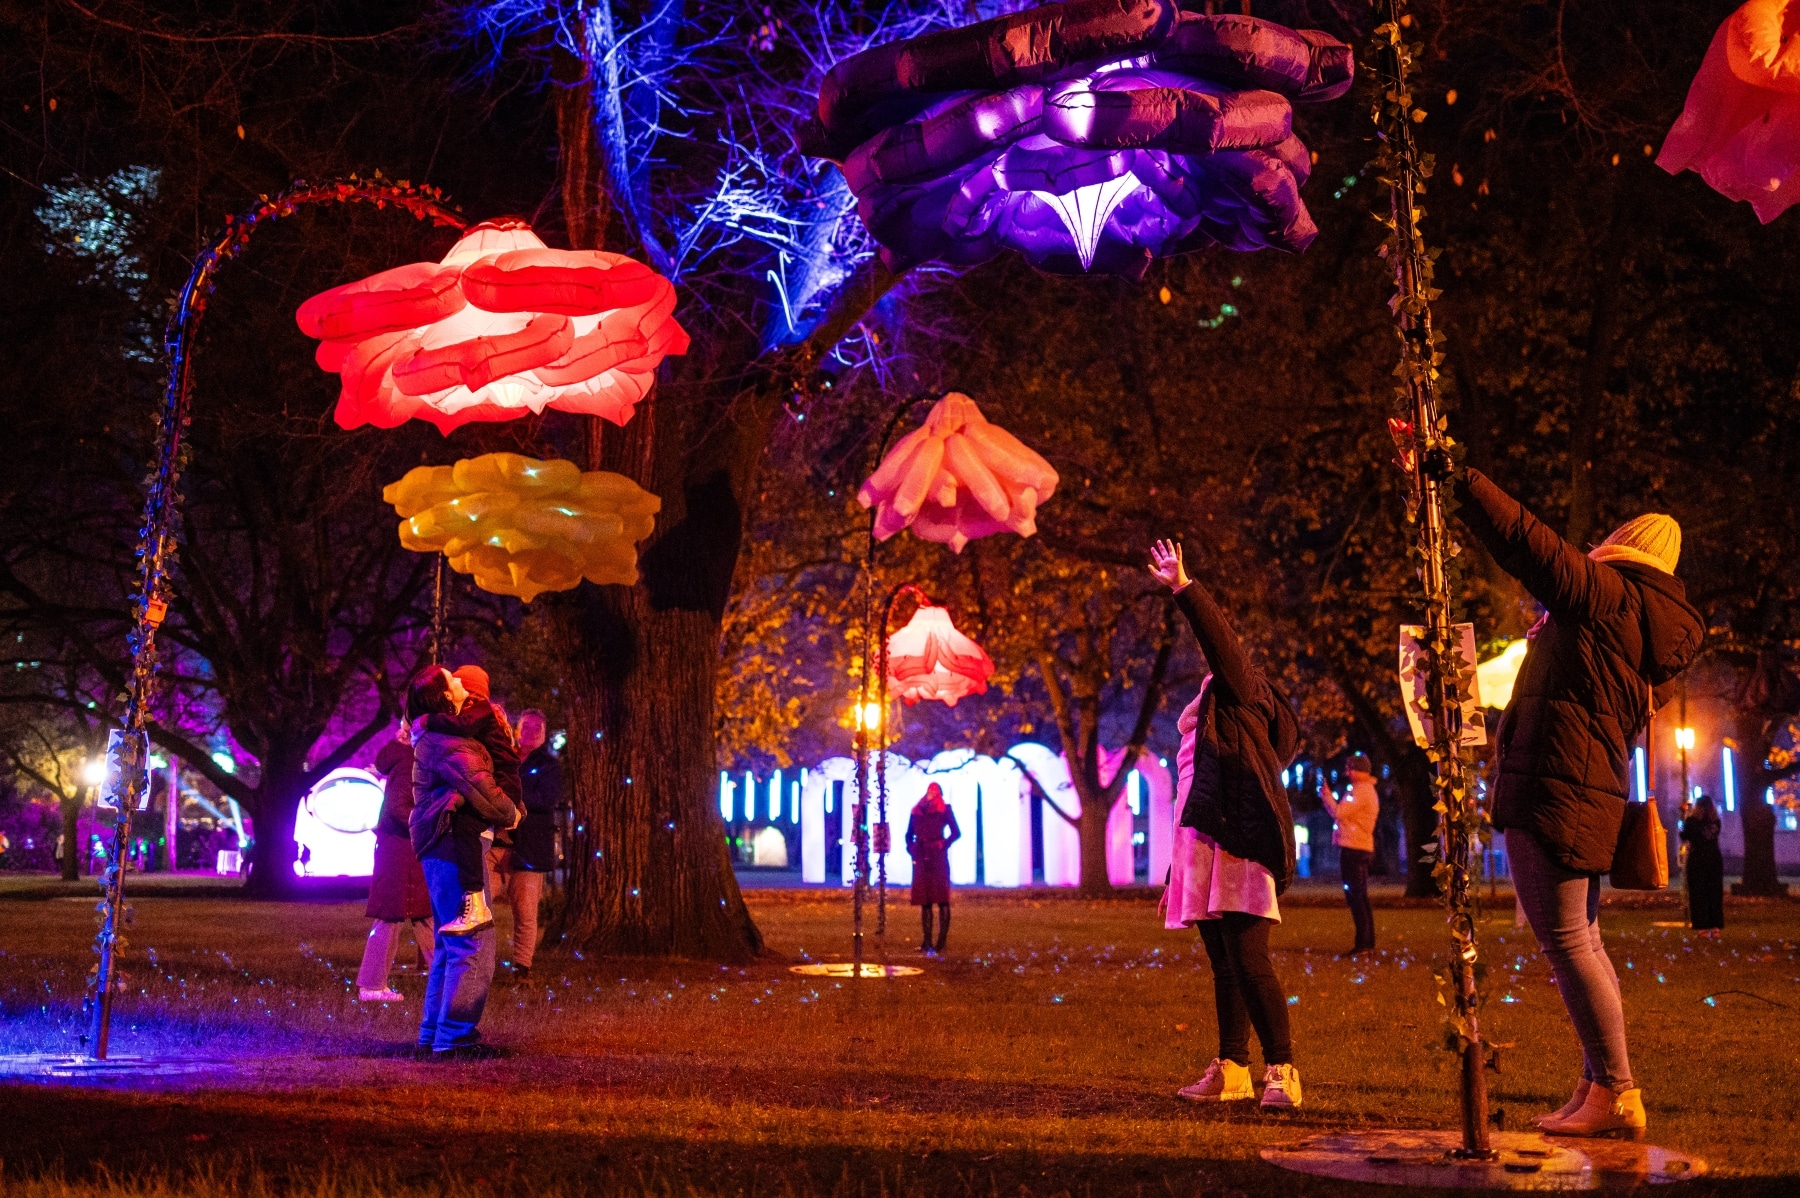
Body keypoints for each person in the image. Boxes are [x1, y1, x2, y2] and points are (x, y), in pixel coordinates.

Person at [1453, 467, 1703, 1139]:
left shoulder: (1604, 596)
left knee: (1567, 939)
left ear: (1621, 547)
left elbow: (1525, 540)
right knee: (1581, 937)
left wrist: (1457, 475)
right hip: (1583, 788)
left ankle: (1616, 1089)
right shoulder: (1634, 623)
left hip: (1556, 786)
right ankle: (1599, 1085)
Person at [1150, 539, 1303, 1111]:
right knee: (1223, 963)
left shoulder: (1239, 690)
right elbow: (1193, 789)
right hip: (1200, 841)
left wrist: (1184, 588)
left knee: (1249, 957)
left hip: (1238, 838)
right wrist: (1173, 869)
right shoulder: (1216, 704)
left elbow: (1223, 644)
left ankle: (1282, 1071)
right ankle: (1233, 1068)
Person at [408, 665, 519, 1057]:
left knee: (451, 941)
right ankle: (454, 1038)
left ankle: (433, 1034)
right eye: (451, 680)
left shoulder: (439, 735)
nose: (459, 682)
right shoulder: (445, 742)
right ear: (442, 697)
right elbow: (482, 788)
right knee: (473, 941)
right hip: (454, 844)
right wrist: (512, 813)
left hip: (443, 843)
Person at [426, 665, 522, 936]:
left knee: (466, 826)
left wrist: (427, 720)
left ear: (471, 689)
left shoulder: (479, 710)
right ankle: (474, 898)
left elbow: (462, 725)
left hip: (503, 785)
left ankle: (475, 899)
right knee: (466, 826)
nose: (453, 683)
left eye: (458, 680)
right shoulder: (483, 714)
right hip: (503, 783)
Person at [355, 718, 435, 1003]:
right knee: (410, 915)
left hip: (399, 850)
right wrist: (429, 823)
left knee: (415, 915)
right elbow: (399, 808)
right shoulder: (409, 763)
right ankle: (373, 985)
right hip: (404, 851)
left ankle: (373, 983)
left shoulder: (404, 759)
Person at [499, 708, 561, 980]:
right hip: (498, 844)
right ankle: (476, 962)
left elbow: (546, 799)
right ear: (517, 729)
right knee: (480, 903)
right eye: (527, 726)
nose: (531, 732)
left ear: (544, 734)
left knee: (525, 911)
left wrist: (510, 798)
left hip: (530, 846)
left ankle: (522, 967)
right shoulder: (504, 758)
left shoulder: (549, 765)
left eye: (538, 728)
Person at [1319, 754, 1380, 955]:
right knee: (1360, 896)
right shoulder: (1364, 791)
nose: (1347, 773)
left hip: (1354, 848)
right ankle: (1368, 942)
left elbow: (1340, 812)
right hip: (1359, 846)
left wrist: (1326, 796)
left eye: (1350, 769)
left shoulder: (1361, 791)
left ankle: (1363, 944)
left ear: (1359, 771)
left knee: (1355, 896)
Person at [906, 782, 960, 954]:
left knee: (942, 898)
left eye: (934, 791)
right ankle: (927, 941)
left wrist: (942, 844)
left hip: (937, 857)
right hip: (922, 857)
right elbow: (908, 834)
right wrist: (912, 848)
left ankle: (941, 941)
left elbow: (956, 832)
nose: (931, 793)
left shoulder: (944, 809)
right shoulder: (917, 811)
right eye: (929, 790)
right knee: (925, 900)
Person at [1680, 795, 1724, 938]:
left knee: (1698, 893)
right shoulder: (1716, 822)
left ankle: (1702, 928)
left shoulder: (1692, 821)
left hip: (1698, 859)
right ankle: (1716, 927)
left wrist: (1684, 817)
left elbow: (1685, 836)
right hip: (1714, 859)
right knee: (1714, 893)